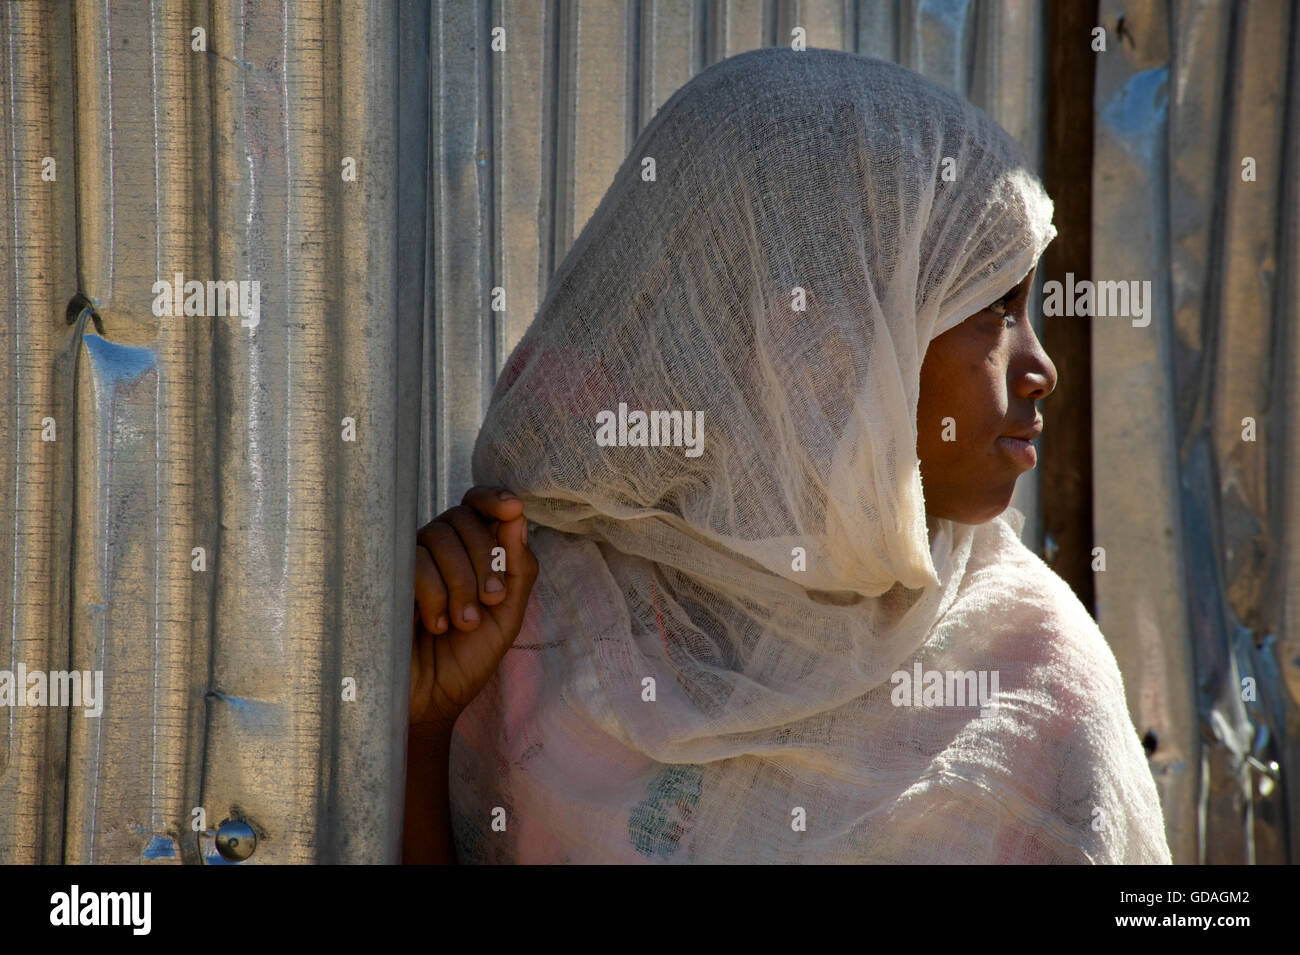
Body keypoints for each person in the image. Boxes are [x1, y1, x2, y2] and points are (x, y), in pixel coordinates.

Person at [404, 46, 1173, 864]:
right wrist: (420, 735)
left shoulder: (1031, 681)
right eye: (995, 309)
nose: (1042, 367)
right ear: (823, 341)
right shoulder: (531, 633)